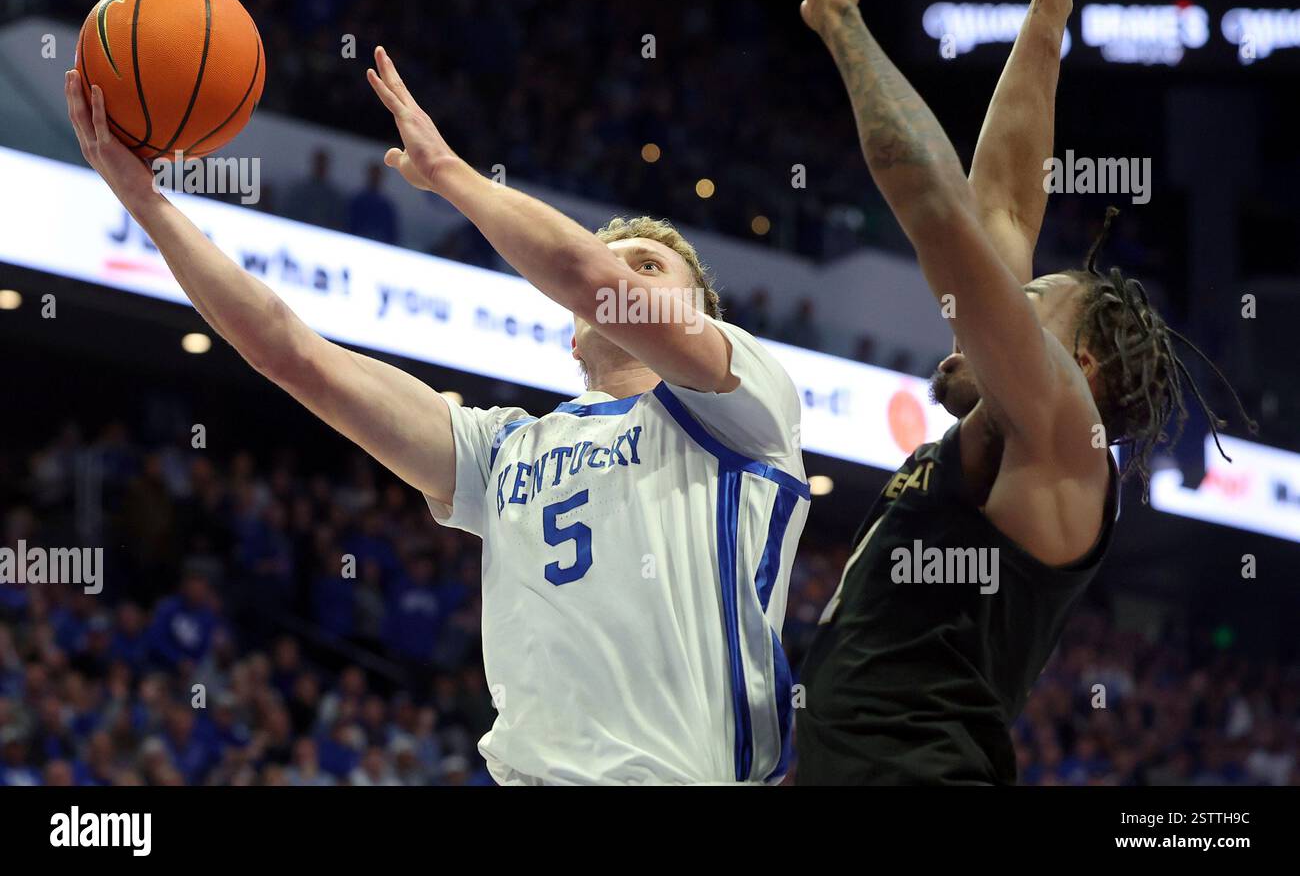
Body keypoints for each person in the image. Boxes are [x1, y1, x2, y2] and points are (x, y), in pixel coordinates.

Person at [65, 43, 808, 785]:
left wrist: (451, 175)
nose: (618, 279)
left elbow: (586, 275)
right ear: (570, 332)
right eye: (619, 264)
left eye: (647, 269)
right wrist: (147, 204)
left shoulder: (742, 406)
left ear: (702, 318)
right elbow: (292, 353)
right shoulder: (502, 448)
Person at [792, 0, 1247, 785]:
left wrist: (843, 22)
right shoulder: (1017, 428)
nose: (1004, 301)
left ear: (1077, 362)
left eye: (1029, 302)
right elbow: (1000, 204)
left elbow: (939, 208)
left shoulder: (1062, 432)